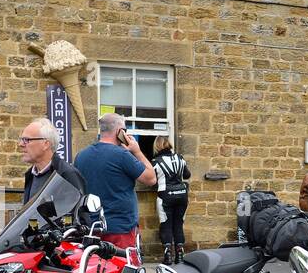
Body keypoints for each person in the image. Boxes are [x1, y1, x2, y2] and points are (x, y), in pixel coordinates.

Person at [74, 112, 156, 256]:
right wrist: (137, 151)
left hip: (91, 228)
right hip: (120, 228)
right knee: (123, 272)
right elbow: (151, 179)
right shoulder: (122, 155)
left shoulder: (81, 155)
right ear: (120, 132)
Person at [19, 117, 87, 206]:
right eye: (21, 139)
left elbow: (77, 215)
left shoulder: (66, 174)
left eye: (26, 140)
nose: (20, 144)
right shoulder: (31, 175)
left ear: (46, 144)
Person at [153, 136, 191, 265]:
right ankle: (180, 254)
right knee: (178, 224)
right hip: (182, 194)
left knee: (166, 225)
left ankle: (168, 255)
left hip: (165, 195)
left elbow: (152, 180)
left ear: (157, 146)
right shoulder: (180, 158)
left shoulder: (156, 162)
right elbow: (187, 175)